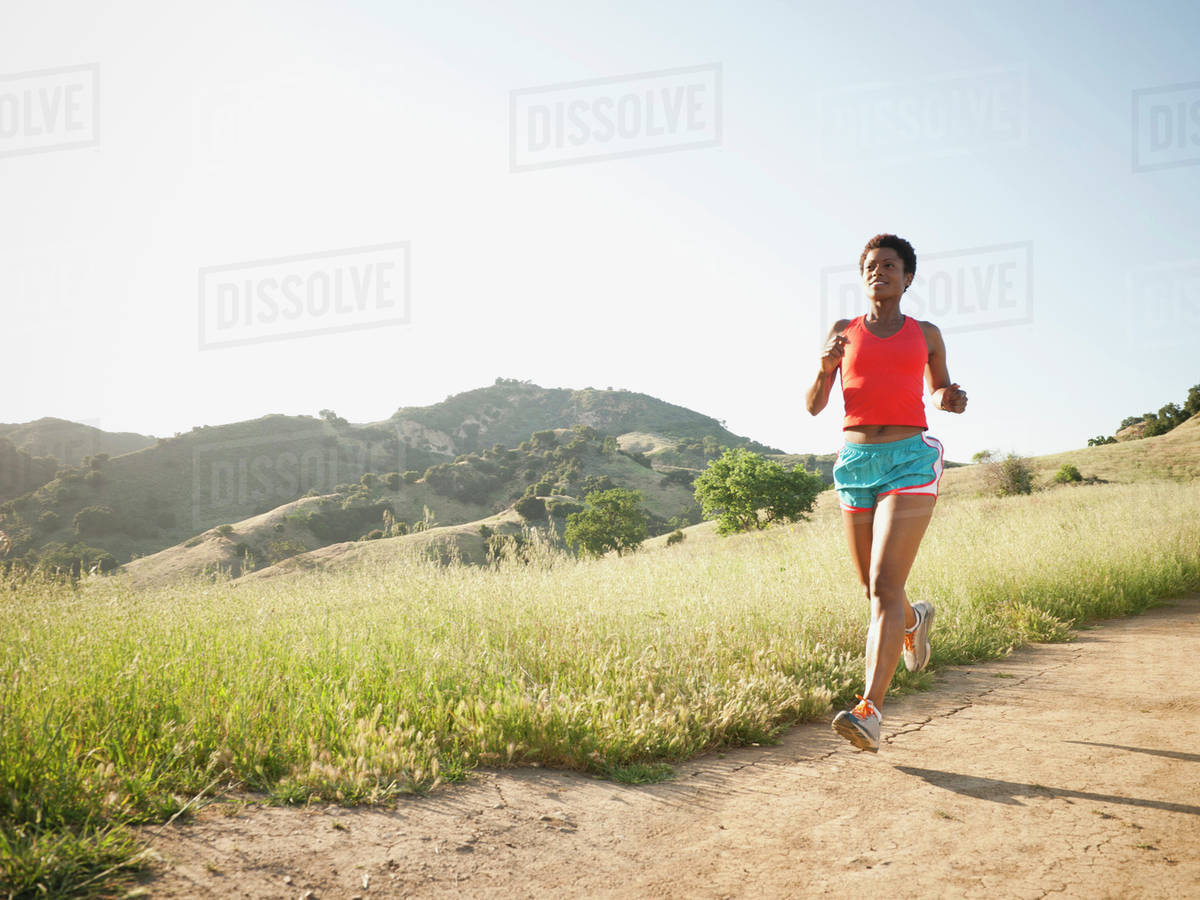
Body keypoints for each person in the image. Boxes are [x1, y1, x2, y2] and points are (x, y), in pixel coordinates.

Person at [806, 233, 967, 752]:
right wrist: (823, 366)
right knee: (875, 592)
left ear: (908, 277)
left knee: (882, 582)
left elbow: (940, 390)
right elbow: (813, 405)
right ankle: (915, 618)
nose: (880, 272)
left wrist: (949, 396)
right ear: (863, 276)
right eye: (871, 266)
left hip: (909, 460)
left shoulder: (925, 333)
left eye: (890, 266)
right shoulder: (841, 332)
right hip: (854, 464)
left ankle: (869, 710)